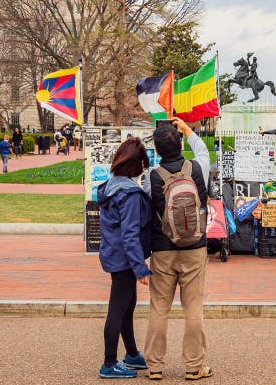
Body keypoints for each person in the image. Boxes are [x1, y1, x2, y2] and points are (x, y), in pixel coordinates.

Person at [144, 117, 213, 382]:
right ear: (181, 143)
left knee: (159, 307)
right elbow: (204, 152)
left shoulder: (152, 176)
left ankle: (155, 367)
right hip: (194, 246)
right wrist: (186, 130)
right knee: (193, 307)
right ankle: (195, 366)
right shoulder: (197, 168)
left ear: (157, 150)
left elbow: (150, 209)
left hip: (162, 248)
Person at [97, 137, 152, 379]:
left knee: (127, 307)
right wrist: (140, 268)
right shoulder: (129, 193)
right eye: (143, 162)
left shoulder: (111, 186)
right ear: (136, 163)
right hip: (125, 259)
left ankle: (131, 354)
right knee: (117, 310)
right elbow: (130, 234)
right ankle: (109, 363)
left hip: (114, 255)